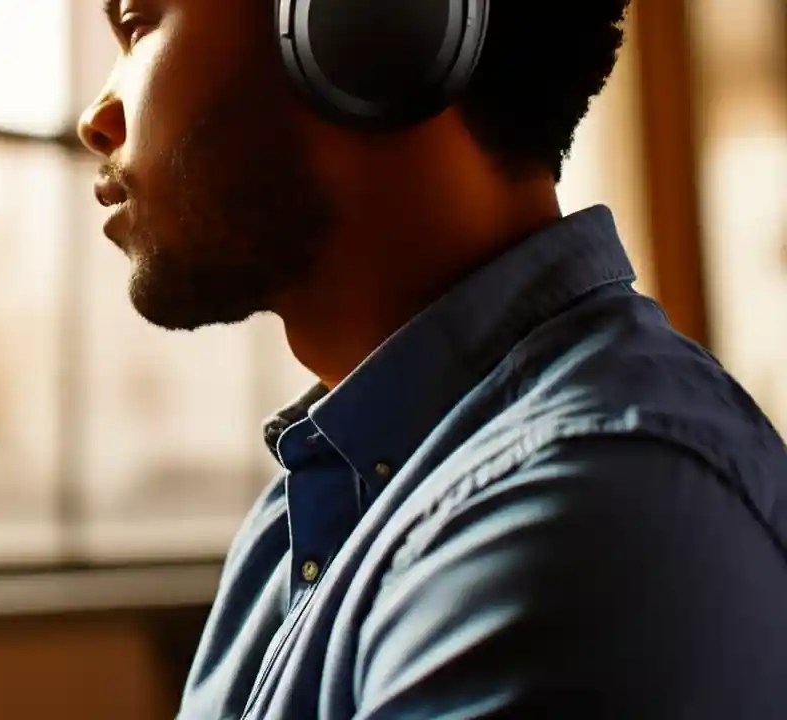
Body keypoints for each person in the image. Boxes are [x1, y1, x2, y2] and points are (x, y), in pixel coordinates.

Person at [77, 0, 787, 718]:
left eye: (138, 24)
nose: (96, 119)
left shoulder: (585, 512)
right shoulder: (311, 508)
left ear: (369, 23)